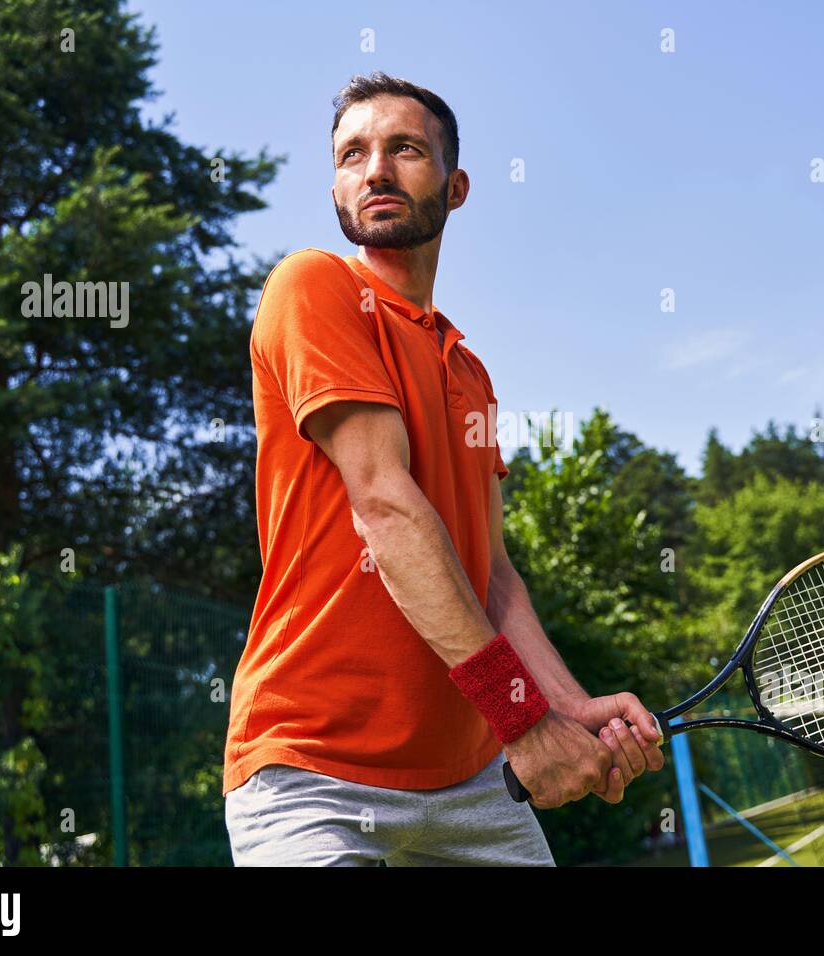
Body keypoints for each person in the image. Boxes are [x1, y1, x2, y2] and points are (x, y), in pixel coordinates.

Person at [223, 71, 665, 866]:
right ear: (333, 184)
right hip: (311, 768)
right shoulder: (311, 286)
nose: (376, 170)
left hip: (472, 782)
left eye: (404, 150)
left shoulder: (470, 373)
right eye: (352, 154)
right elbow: (384, 509)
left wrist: (568, 706)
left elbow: (492, 574)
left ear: (455, 186)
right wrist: (526, 720)